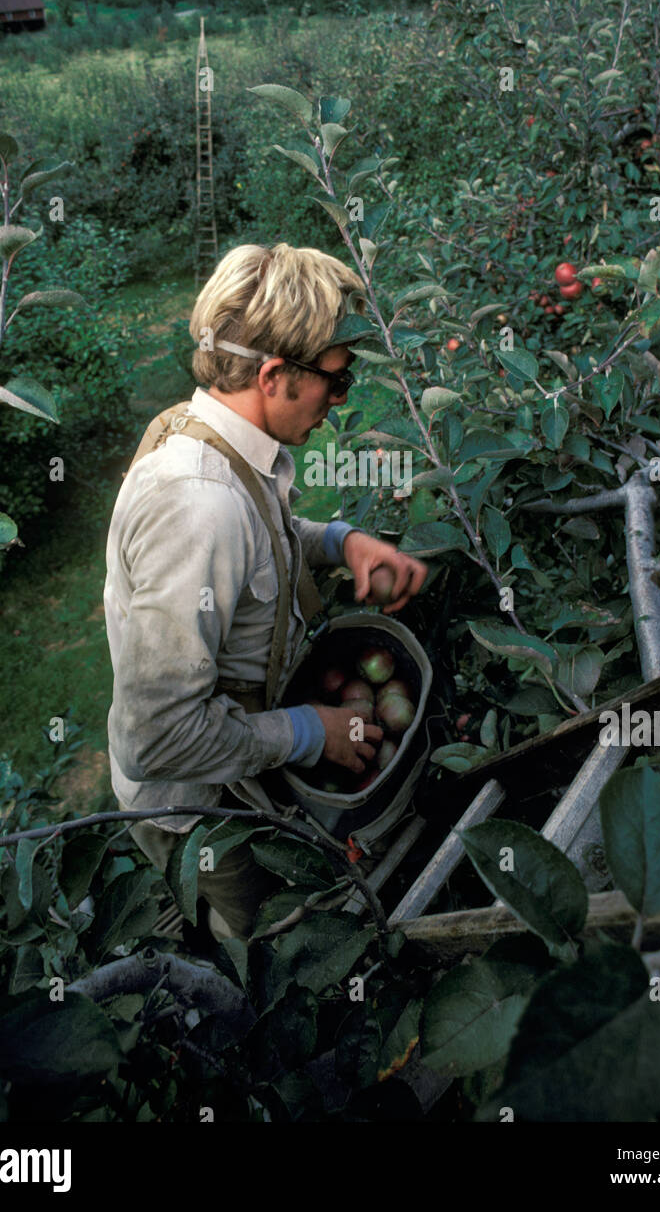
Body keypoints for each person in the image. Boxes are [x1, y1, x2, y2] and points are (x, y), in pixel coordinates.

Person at [103, 243, 427, 942]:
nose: (339, 405)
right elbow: (154, 740)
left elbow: (256, 524)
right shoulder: (195, 507)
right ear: (276, 375)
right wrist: (312, 732)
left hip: (240, 763)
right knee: (268, 940)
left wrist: (337, 541)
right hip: (199, 807)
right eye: (336, 384)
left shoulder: (219, 443)